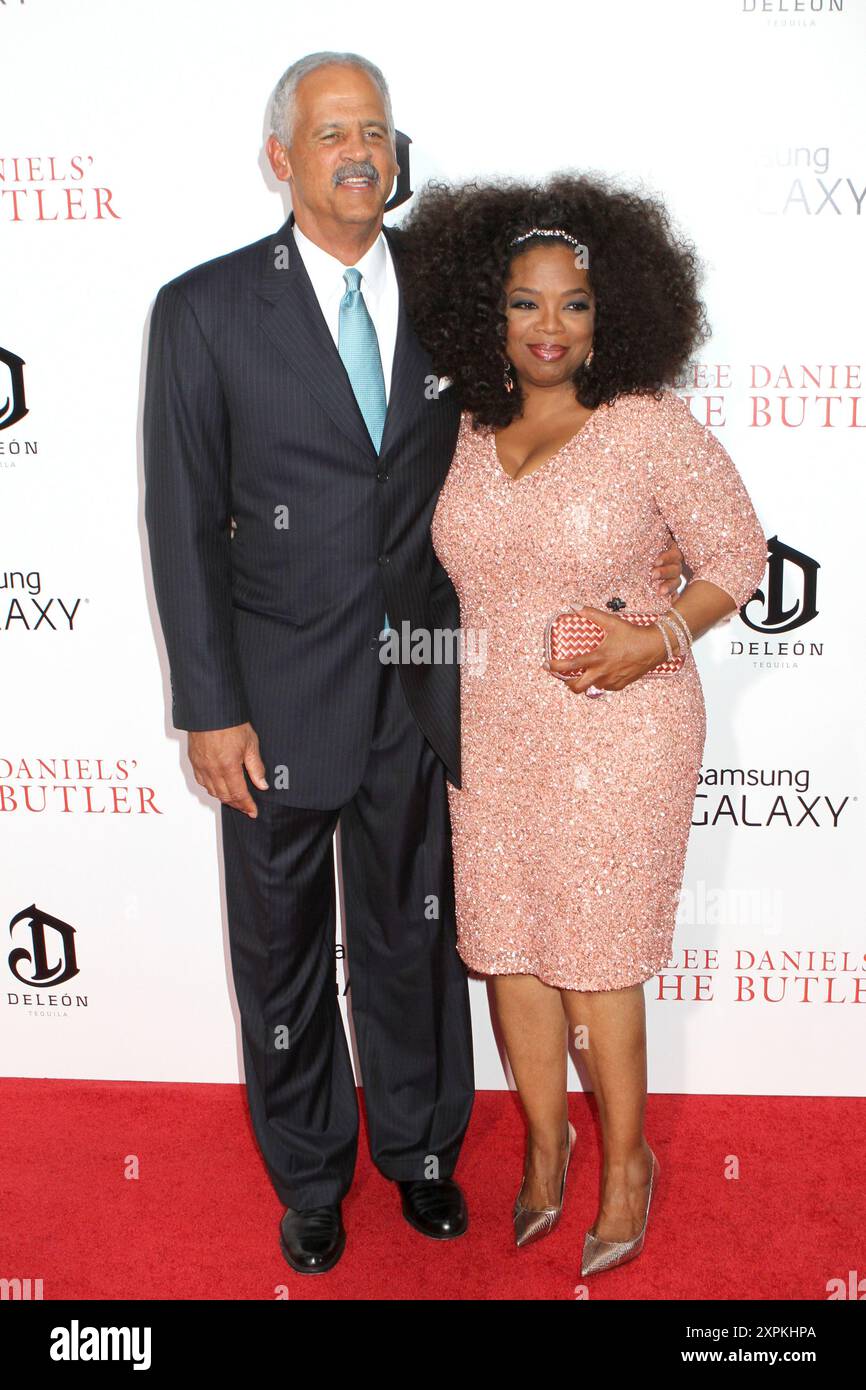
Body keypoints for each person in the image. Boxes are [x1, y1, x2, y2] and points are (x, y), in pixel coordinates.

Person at [143, 52, 684, 1278]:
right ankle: (310, 1174)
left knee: (412, 936)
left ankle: (426, 1154)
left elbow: (563, 425)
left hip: (429, 695)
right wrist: (210, 708)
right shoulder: (205, 309)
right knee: (279, 950)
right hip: (271, 705)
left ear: (396, 152)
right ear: (279, 157)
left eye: (376, 129)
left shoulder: (459, 308)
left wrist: (647, 578)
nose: (358, 150)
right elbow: (180, 521)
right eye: (331, 130)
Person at [400, 176, 768, 1276]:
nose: (548, 327)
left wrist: (646, 640)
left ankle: (625, 1166)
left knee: (598, 959)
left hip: (620, 726)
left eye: (573, 304)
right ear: (487, 311)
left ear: (612, 315)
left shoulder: (645, 425)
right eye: (524, 302)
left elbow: (735, 560)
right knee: (509, 950)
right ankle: (545, 1152)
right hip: (491, 724)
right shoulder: (459, 429)